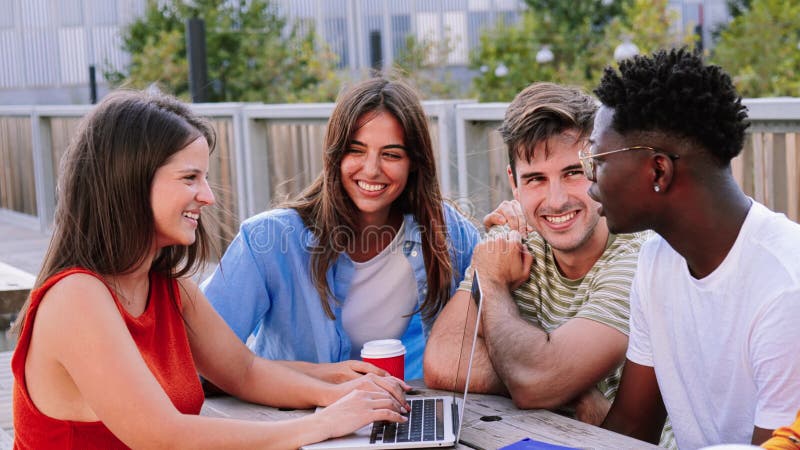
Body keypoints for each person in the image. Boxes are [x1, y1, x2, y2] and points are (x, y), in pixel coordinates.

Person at [11, 90, 410, 448]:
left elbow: (244, 370)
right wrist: (323, 424)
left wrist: (336, 385)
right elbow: (162, 435)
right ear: (128, 183)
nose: (208, 196)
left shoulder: (167, 286)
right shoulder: (76, 297)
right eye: (190, 178)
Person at [201, 76, 479, 381]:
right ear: (335, 154)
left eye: (391, 154)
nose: (371, 169)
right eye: (356, 150)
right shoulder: (267, 241)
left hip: (405, 409)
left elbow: (500, 313)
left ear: (413, 163)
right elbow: (200, 361)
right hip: (294, 419)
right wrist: (322, 376)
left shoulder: (448, 233)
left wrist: (512, 234)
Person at [589, 48, 800, 449]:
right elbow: (633, 426)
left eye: (597, 160)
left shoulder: (787, 287)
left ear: (658, 171)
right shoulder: (656, 261)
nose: (590, 182)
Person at [423, 82, 649, 426]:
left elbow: (537, 386)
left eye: (573, 173)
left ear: (599, 168)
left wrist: (493, 283)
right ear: (514, 183)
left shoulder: (638, 256)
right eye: (536, 179)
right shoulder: (512, 238)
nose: (556, 200)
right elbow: (443, 360)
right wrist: (573, 390)